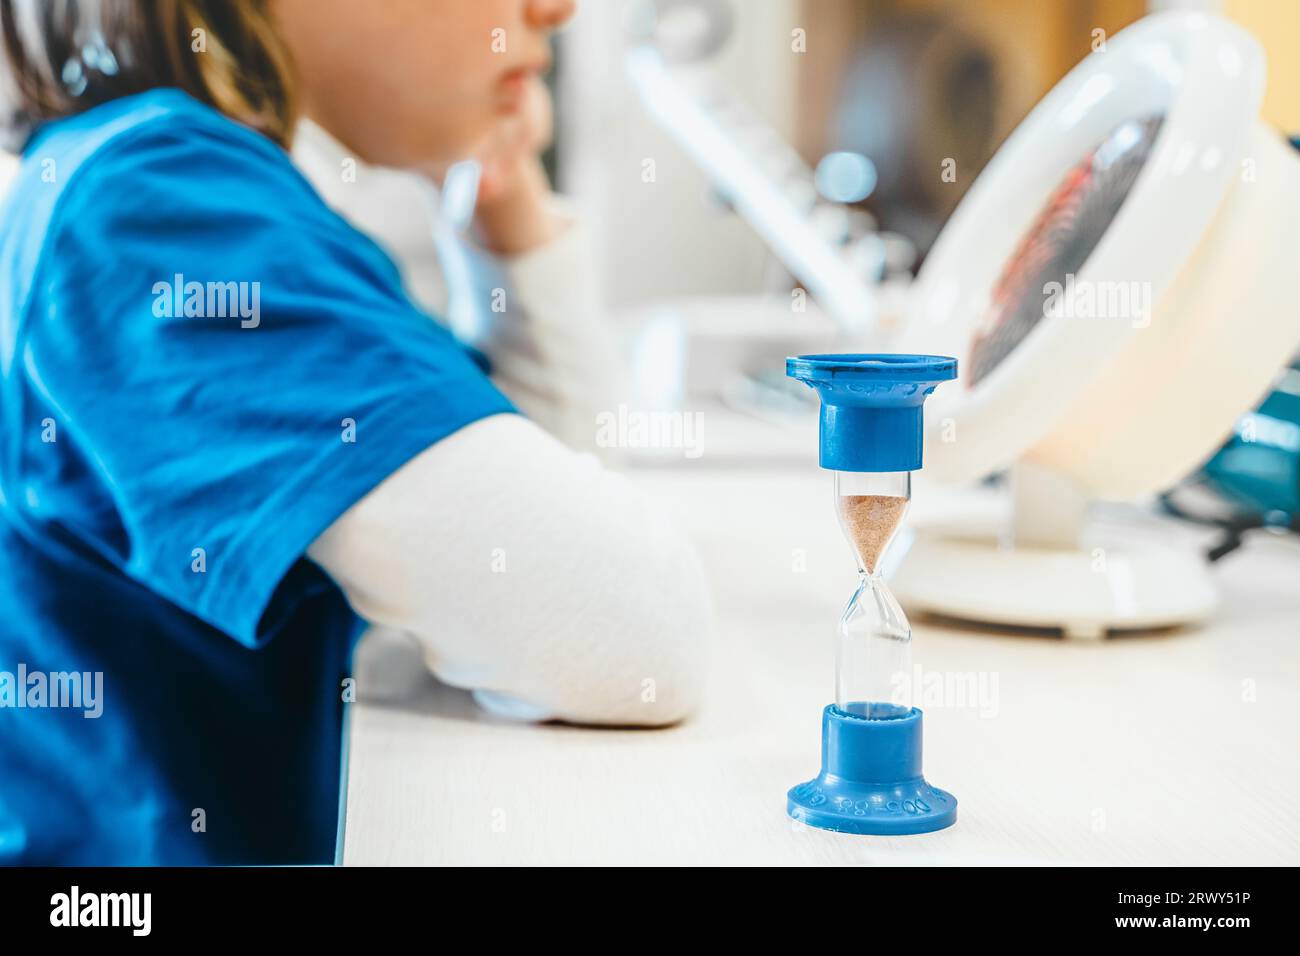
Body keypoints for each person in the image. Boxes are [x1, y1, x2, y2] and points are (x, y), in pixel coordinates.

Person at [0, 0, 710, 866]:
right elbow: (626, 628)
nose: (555, 10)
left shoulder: (200, 186)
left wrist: (504, 200)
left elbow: (547, 505)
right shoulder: (162, 211)